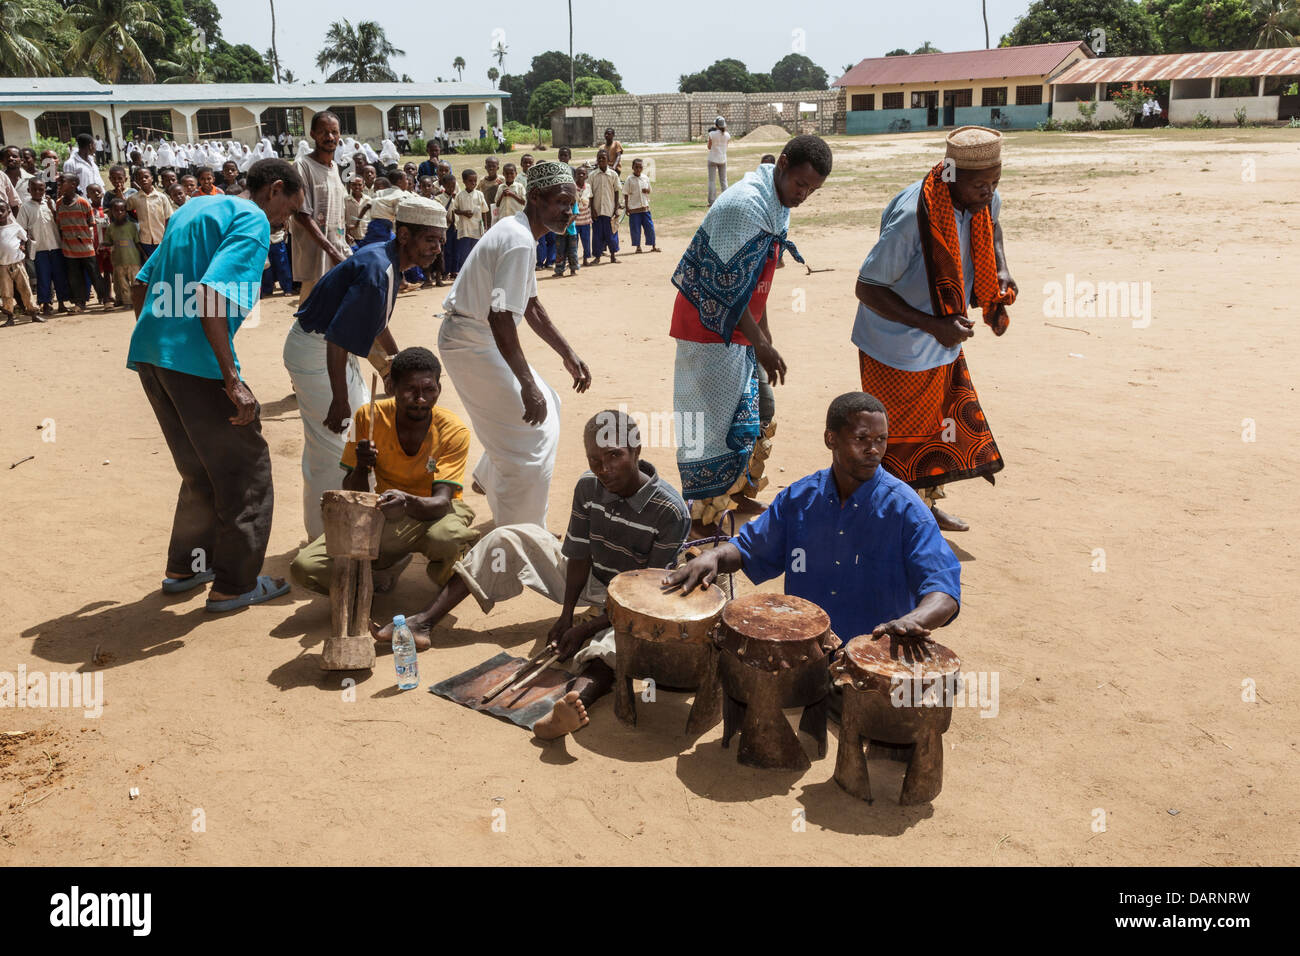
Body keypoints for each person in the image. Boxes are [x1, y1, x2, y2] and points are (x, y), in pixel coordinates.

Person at [372, 409, 690, 741]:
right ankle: (424, 621)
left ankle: (565, 710)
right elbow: (578, 554)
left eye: (614, 456)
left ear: (636, 451)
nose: (604, 468)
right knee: (506, 537)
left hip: (638, 599)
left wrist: (590, 627)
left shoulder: (670, 511)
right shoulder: (589, 485)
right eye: (595, 459)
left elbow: (648, 594)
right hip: (593, 579)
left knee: (617, 642)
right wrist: (567, 616)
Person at [127, 157, 304, 610]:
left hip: (152, 352)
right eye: (287, 210)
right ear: (275, 190)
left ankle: (188, 566)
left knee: (199, 470)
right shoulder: (252, 221)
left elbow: (140, 284)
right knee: (246, 471)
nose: (284, 222)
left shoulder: (194, 207)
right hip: (197, 364)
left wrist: (157, 340)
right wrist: (231, 377)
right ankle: (236, 585)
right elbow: (212, 294)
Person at [666, 392, 961, 662]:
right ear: (830, 438)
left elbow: (943, 590)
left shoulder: (908, 510)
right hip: (805, 656)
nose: (874, 449)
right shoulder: (799, 499)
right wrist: (714, 556)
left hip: (875, 661)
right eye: (862, 439)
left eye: (881, 439)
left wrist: (916, 620)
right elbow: (749, 548)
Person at [853, 126, 1016, 533]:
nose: (989, 192)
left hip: (943, 336)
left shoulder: (982, 198)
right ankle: (886, 520)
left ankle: (922, 508)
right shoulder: (914, 217)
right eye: (981, 184)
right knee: (892, 440)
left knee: (935, 433)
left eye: (995, 182)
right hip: (895, 347)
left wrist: (999, 274)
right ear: (951, 175)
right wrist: (932, 325)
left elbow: (992, 226)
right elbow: (867, 287)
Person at [670, 135, 830, 535]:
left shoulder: (775, 207)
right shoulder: (744, 206)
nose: (804, 195)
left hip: (741, 329)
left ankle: (735, 492)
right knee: (711, 426)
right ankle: (703, 512)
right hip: (707, 330)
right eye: (801, 184)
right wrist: (759, 342)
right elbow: (723, 285)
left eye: (812, 190)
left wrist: (765, 338)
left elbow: (753, 282)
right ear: (783, 164)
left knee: (761, 411)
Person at [437, 161, 591, 529]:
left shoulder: (521, 234)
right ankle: (520, 532)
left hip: (477, 336)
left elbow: (531, 305)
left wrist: (567, 353)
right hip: (469, 342)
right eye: (561, 203)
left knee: (550, 400)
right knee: (534, 442)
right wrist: (525, 383)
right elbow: (501, 316)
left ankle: (488, 476)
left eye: (571, 204)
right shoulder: (519, 240)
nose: (568, 212)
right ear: (535, 198)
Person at [285, 195, 445, 538]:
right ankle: (329, 538)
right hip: (320, 352)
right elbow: (337, 340)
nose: (437, 249)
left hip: (327, 350)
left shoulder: (387, 262)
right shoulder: (378, 270)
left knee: (350, 436)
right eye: (430, 240)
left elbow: (373, 321)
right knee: (338, 446)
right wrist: (339, 399)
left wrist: (396, 364)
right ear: (404, 236)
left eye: (441, 241)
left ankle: (327, 530)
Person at [290, 346, 480, 599]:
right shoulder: (365, 417)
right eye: (411, 390)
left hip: (437, 511)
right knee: (306, 567)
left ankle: (447, 571)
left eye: (429, 390)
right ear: (391, 388)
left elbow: (441, 502)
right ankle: (379, 571)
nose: (421, 399)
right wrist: (361, 465)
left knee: (445, 538)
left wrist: (407, 500)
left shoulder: (454, 431)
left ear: (439, 389)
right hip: (386, 509)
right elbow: (353, 490)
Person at [291, 111, 352, 303]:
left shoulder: (335, 168)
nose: (330, 137)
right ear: (312, 134)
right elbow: (302, 214)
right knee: (310, 314)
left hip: (338, 249)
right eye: (324, 132)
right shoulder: (303, 166)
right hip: (317, 255)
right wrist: (331, 252)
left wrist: (341, 244)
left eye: (334, 132)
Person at [17, 177, 68, 316]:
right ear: (29, 190)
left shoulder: (50, 203)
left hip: (55, 245)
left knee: (59, 275)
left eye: (41, 189)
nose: (38, 192)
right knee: (43, 276)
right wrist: (23, 243)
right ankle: (46, 303)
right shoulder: (25, 207)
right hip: (39, 248)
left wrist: (52, 208)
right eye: (34, 189)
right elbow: (21, 228)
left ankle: (62, 302)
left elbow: (59, 220)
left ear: (45, 190)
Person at [55, 173, 105, 313]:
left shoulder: (83, 202)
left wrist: (86, 239)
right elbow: (59, 224)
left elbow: (91, 223)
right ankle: (79, 302)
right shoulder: (59, 204)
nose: (59, 185)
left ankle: (105, 299)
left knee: (95, 274)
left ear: (73, 185)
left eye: (62, 182)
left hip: (85, 247)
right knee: (74, 277)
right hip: (69, 249)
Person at [105, 197, 144, 314]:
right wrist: (103, 246)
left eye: (122, 210)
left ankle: (138, 301)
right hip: (118, 261)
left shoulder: (132, 226)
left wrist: (144, 256)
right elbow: (109, 242)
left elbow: (137, 242)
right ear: (111, 212)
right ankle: (127, 302)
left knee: (135, 282)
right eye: (116, 210)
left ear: (126, 211)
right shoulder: (110, 227)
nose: (119, 213)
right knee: (123, 284)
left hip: (133, 260)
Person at [0, 203, 37, 324]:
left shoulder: (15, 227)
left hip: (17, 264)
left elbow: (26, 238)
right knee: (6, 292)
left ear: (9, 212)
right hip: (3, 266)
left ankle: (33, 314)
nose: (0, 213)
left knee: (25, 288)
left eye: (2, 210)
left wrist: (22, 245)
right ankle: (10, 317)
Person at [126, 167, 172, 262]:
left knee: (163, 264)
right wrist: (136, 217)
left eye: (146, 177)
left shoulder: (161, 198)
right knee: (149, 265)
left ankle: (172, 278)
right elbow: (128, 210)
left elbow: (168, 218)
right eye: (139, 178)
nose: (143, 179)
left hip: (161, 238)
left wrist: (167, 236)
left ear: (152, 178)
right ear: (136, 181)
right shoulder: (134, 198)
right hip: (145, 240)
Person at [588, 149, 621, 265]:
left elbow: (617, 191)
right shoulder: (592, 175)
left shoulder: (613, 174)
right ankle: (597, 257)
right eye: (599, 158)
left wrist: (616, 208)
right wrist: (592, 210)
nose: (601, 160)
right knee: (597, 235)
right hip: (597, 210)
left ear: (608, 160)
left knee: (611, 233)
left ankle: (613, 256)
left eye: (604, 158)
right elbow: (590, 194)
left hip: (609, 210)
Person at [451, 168, 490, 266]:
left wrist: (484, 227)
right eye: (470, 181)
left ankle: (476, 272)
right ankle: (465, 272)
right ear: (464, 181)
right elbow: (455, 209)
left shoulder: (479, 194)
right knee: (464, 253)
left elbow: (484, 211)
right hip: (465, 229)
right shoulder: (460, 195)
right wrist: (463, 213)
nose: (473, 183)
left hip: (477, 229)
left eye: (475, 181)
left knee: (477, 251)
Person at [623, 158, 658, 253]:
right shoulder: (629, 179)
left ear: (643, 168)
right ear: (632, 167)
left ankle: (653, 245)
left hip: (645, 208)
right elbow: (625, 193)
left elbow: (650, 190)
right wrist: (626, 207)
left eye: (640, 167)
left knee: (649, 227)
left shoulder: (645, 178)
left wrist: (647, 191)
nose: (638, 169)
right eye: (636, 167)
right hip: (634, 209)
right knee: (635, 229)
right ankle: (638, 247)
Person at [706, 116, 731, 206]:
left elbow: (709, 147)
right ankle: (727, 200)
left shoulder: (712, 134)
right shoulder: (727, 135)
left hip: (712, 158)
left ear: (716, 125)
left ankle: (712, 201)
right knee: (724, 180)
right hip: (722, 159)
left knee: (712, 181)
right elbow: (726, 146)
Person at [573, 166, 592, 266]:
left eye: (583, 174)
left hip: (585, 219)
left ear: (586, 176)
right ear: (575, 175)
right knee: (574, 243)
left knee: (586, 241)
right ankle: (574, 261)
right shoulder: (572, 187)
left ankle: (585, 259)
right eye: (579, 173)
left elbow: (591, 199)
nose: (581, 175)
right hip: (575, 220)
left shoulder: (588, 187)